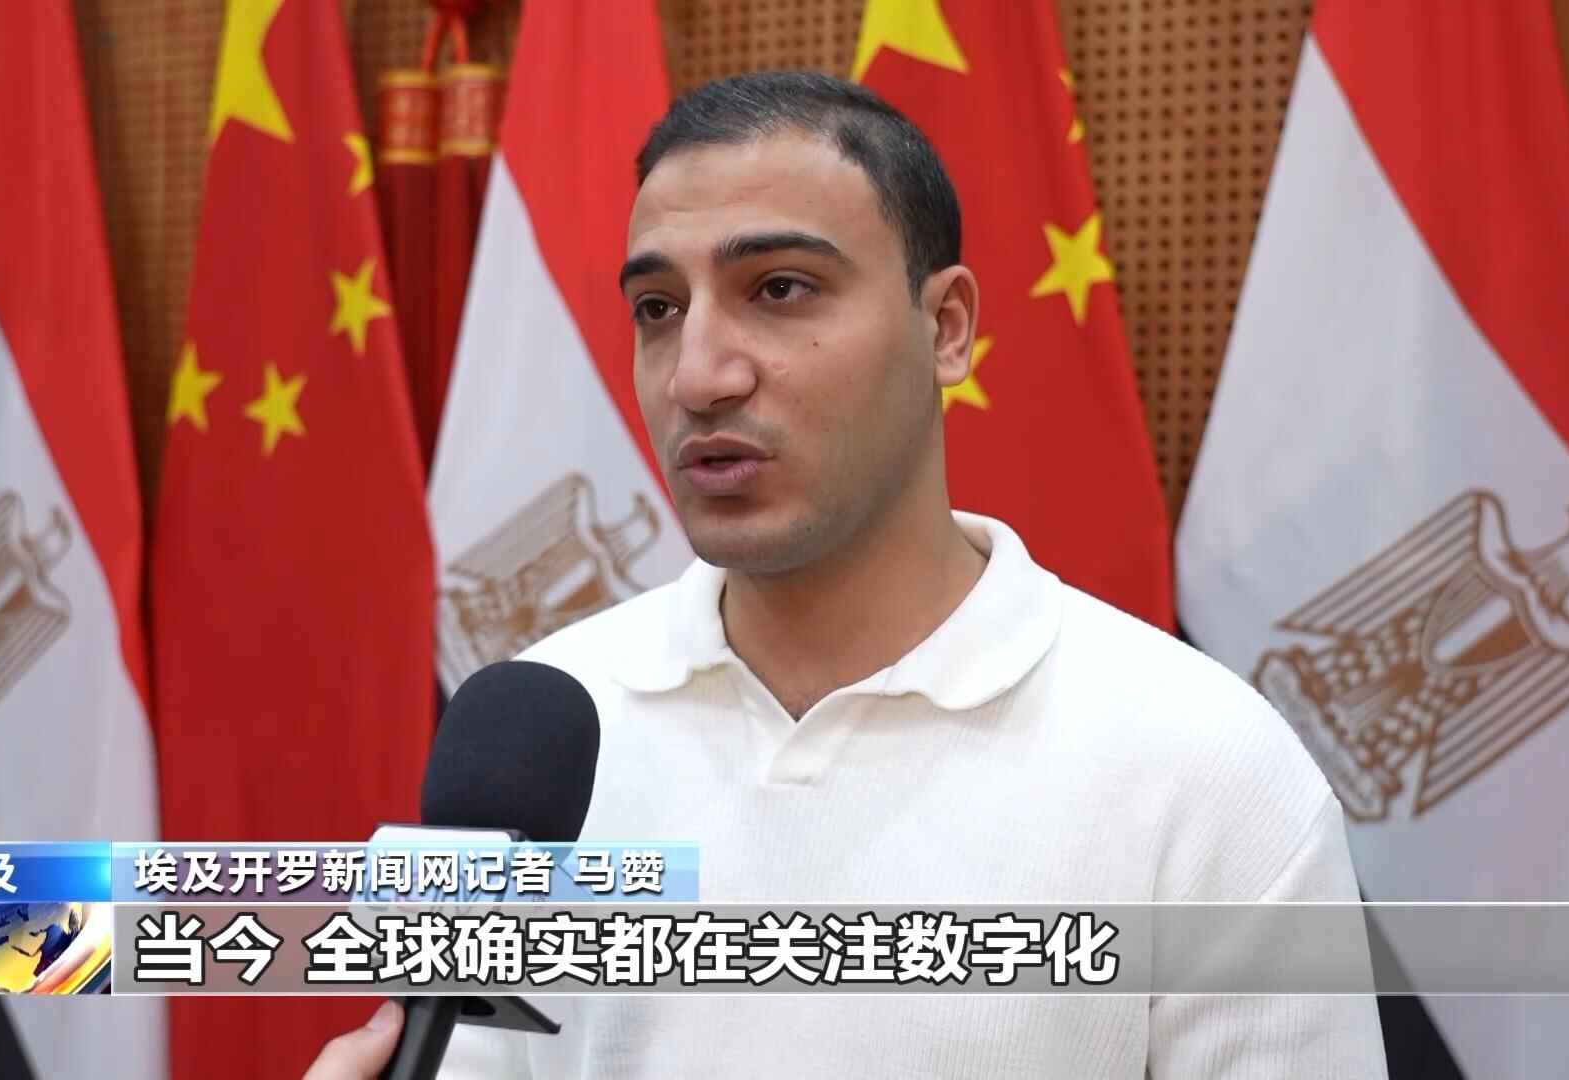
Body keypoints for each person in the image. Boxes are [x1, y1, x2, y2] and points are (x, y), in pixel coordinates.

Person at [309, 71, 1386, 1079]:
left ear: (946, 329)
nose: (698, 377)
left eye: (780, 288)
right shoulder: (541, 730)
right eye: (658, 310)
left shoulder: (1207, 768)